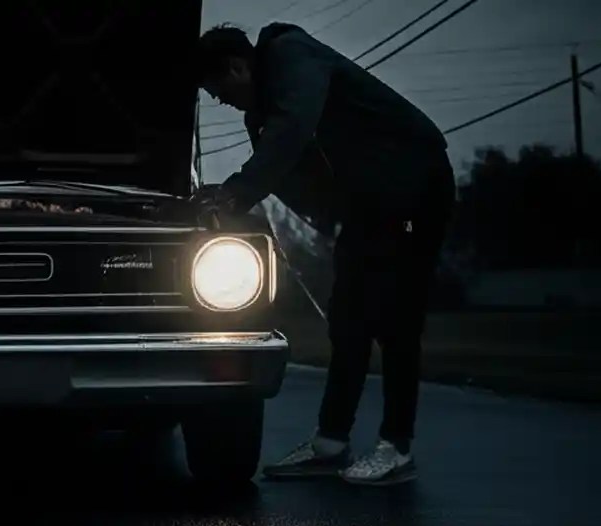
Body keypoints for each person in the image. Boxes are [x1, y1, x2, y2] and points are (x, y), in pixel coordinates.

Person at [194, 22, 456, 485]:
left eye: (219, 91)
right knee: (347, 319)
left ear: (237, 66)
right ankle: (330, 444)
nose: (223, 101)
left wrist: (236, 192)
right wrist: (331, 224)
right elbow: (290, 176)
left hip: (415, 186)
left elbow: (293, 131)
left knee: (396, 319)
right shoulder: (262, 115)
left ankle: (396, 448)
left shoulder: (292, 56)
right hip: (368, 204)